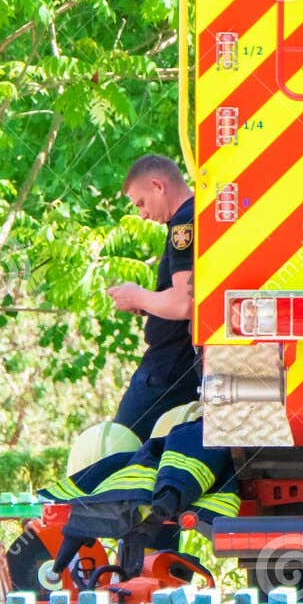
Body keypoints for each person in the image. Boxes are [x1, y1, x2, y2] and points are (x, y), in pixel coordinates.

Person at [105, 155, 200, 440]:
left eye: (141, 203)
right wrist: (149, 304)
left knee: (118, 444)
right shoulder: (199, 213)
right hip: (185, 365)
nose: (143, 215)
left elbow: (185, 302)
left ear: (158, 185)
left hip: (167, 369)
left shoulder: (184, 222)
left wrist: (138, 297)